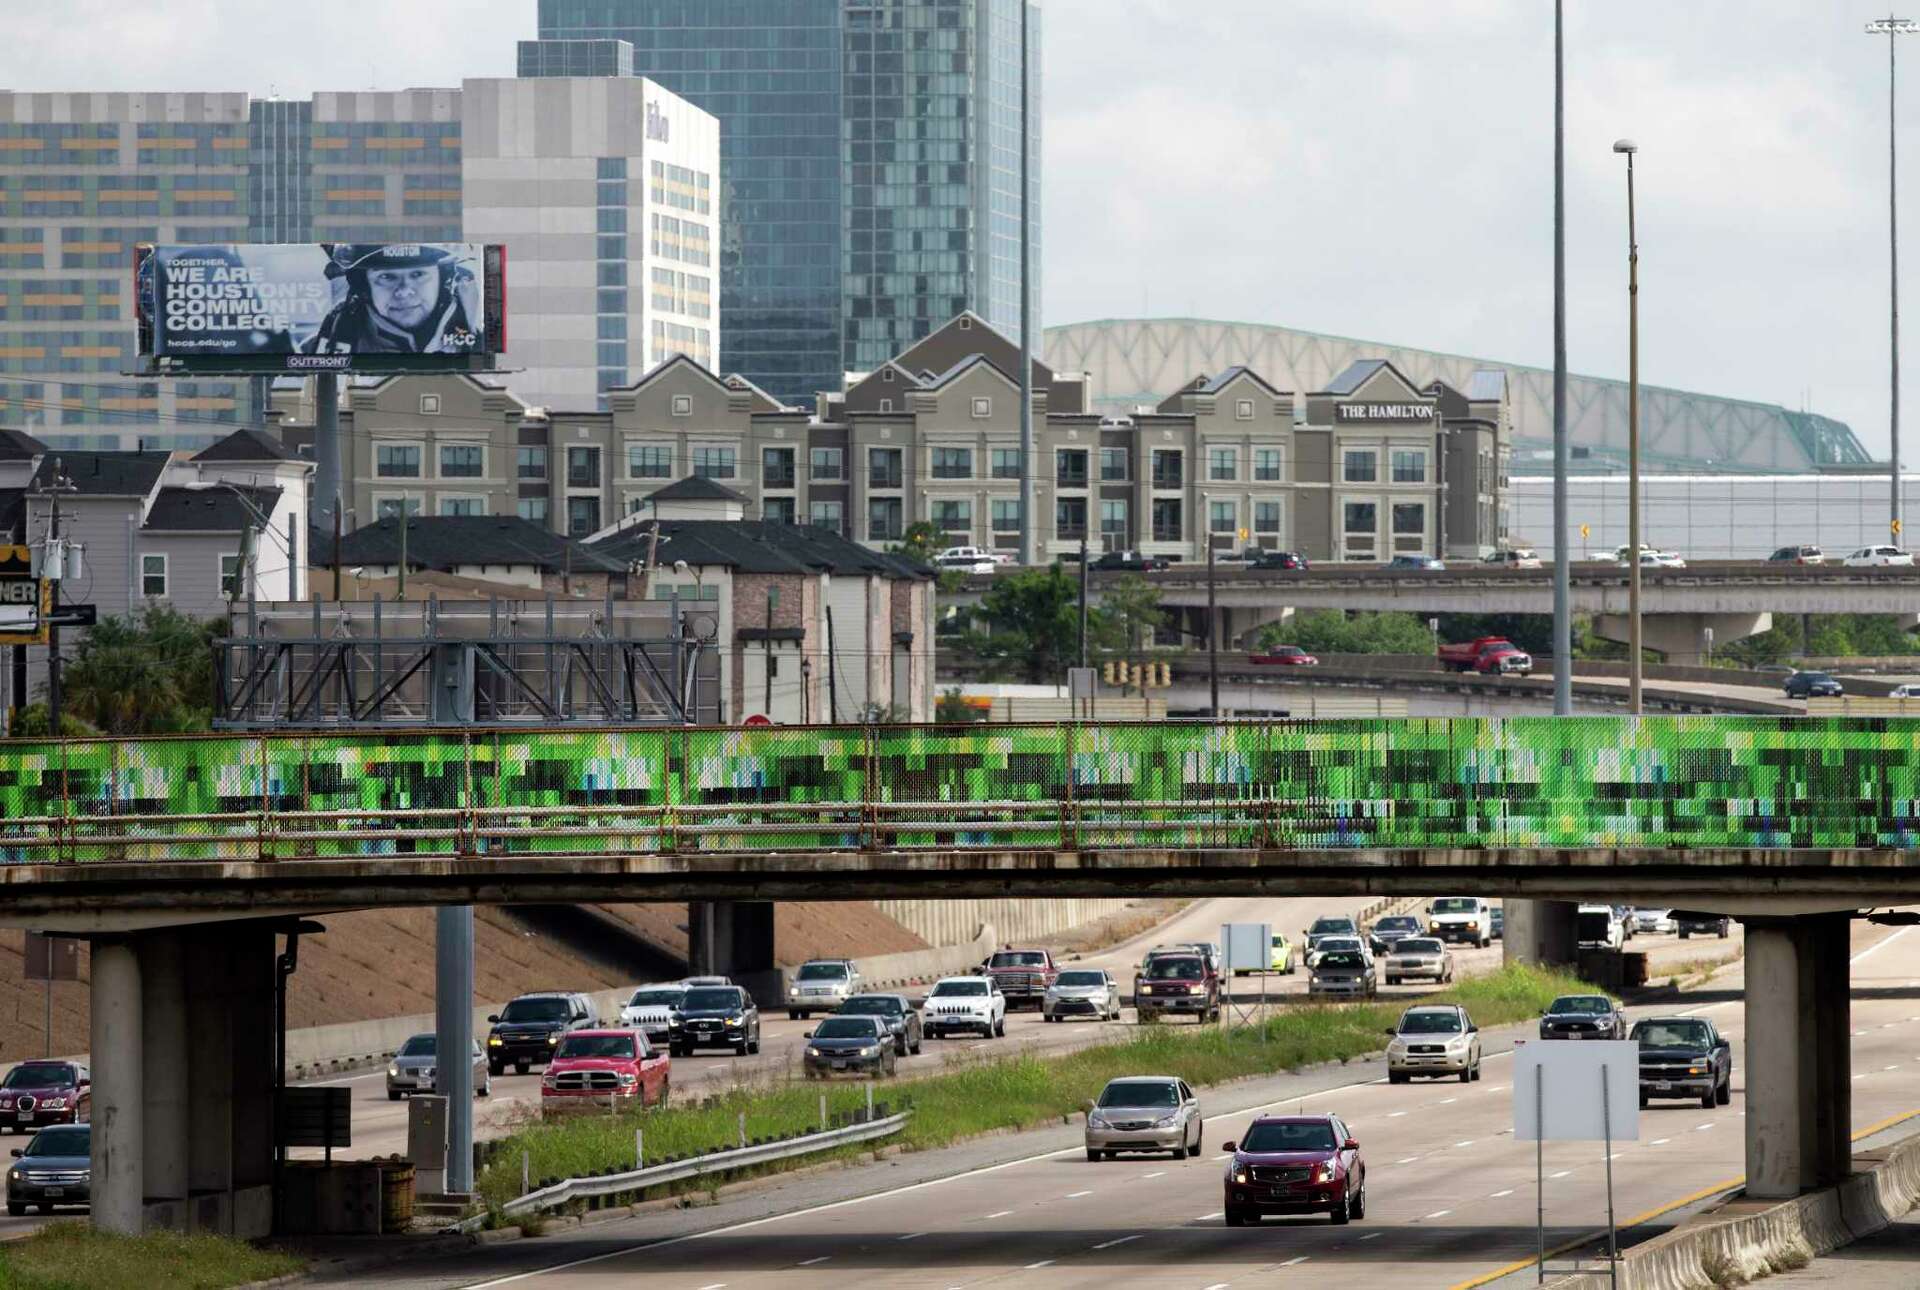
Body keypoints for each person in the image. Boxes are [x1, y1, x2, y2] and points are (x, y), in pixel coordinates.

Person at [304, 244, 481, 355]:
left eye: (418, 274)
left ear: (444, 280)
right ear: (364, 287)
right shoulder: (311, 353)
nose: (404, 291)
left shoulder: (483, 344)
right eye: (387, 277)